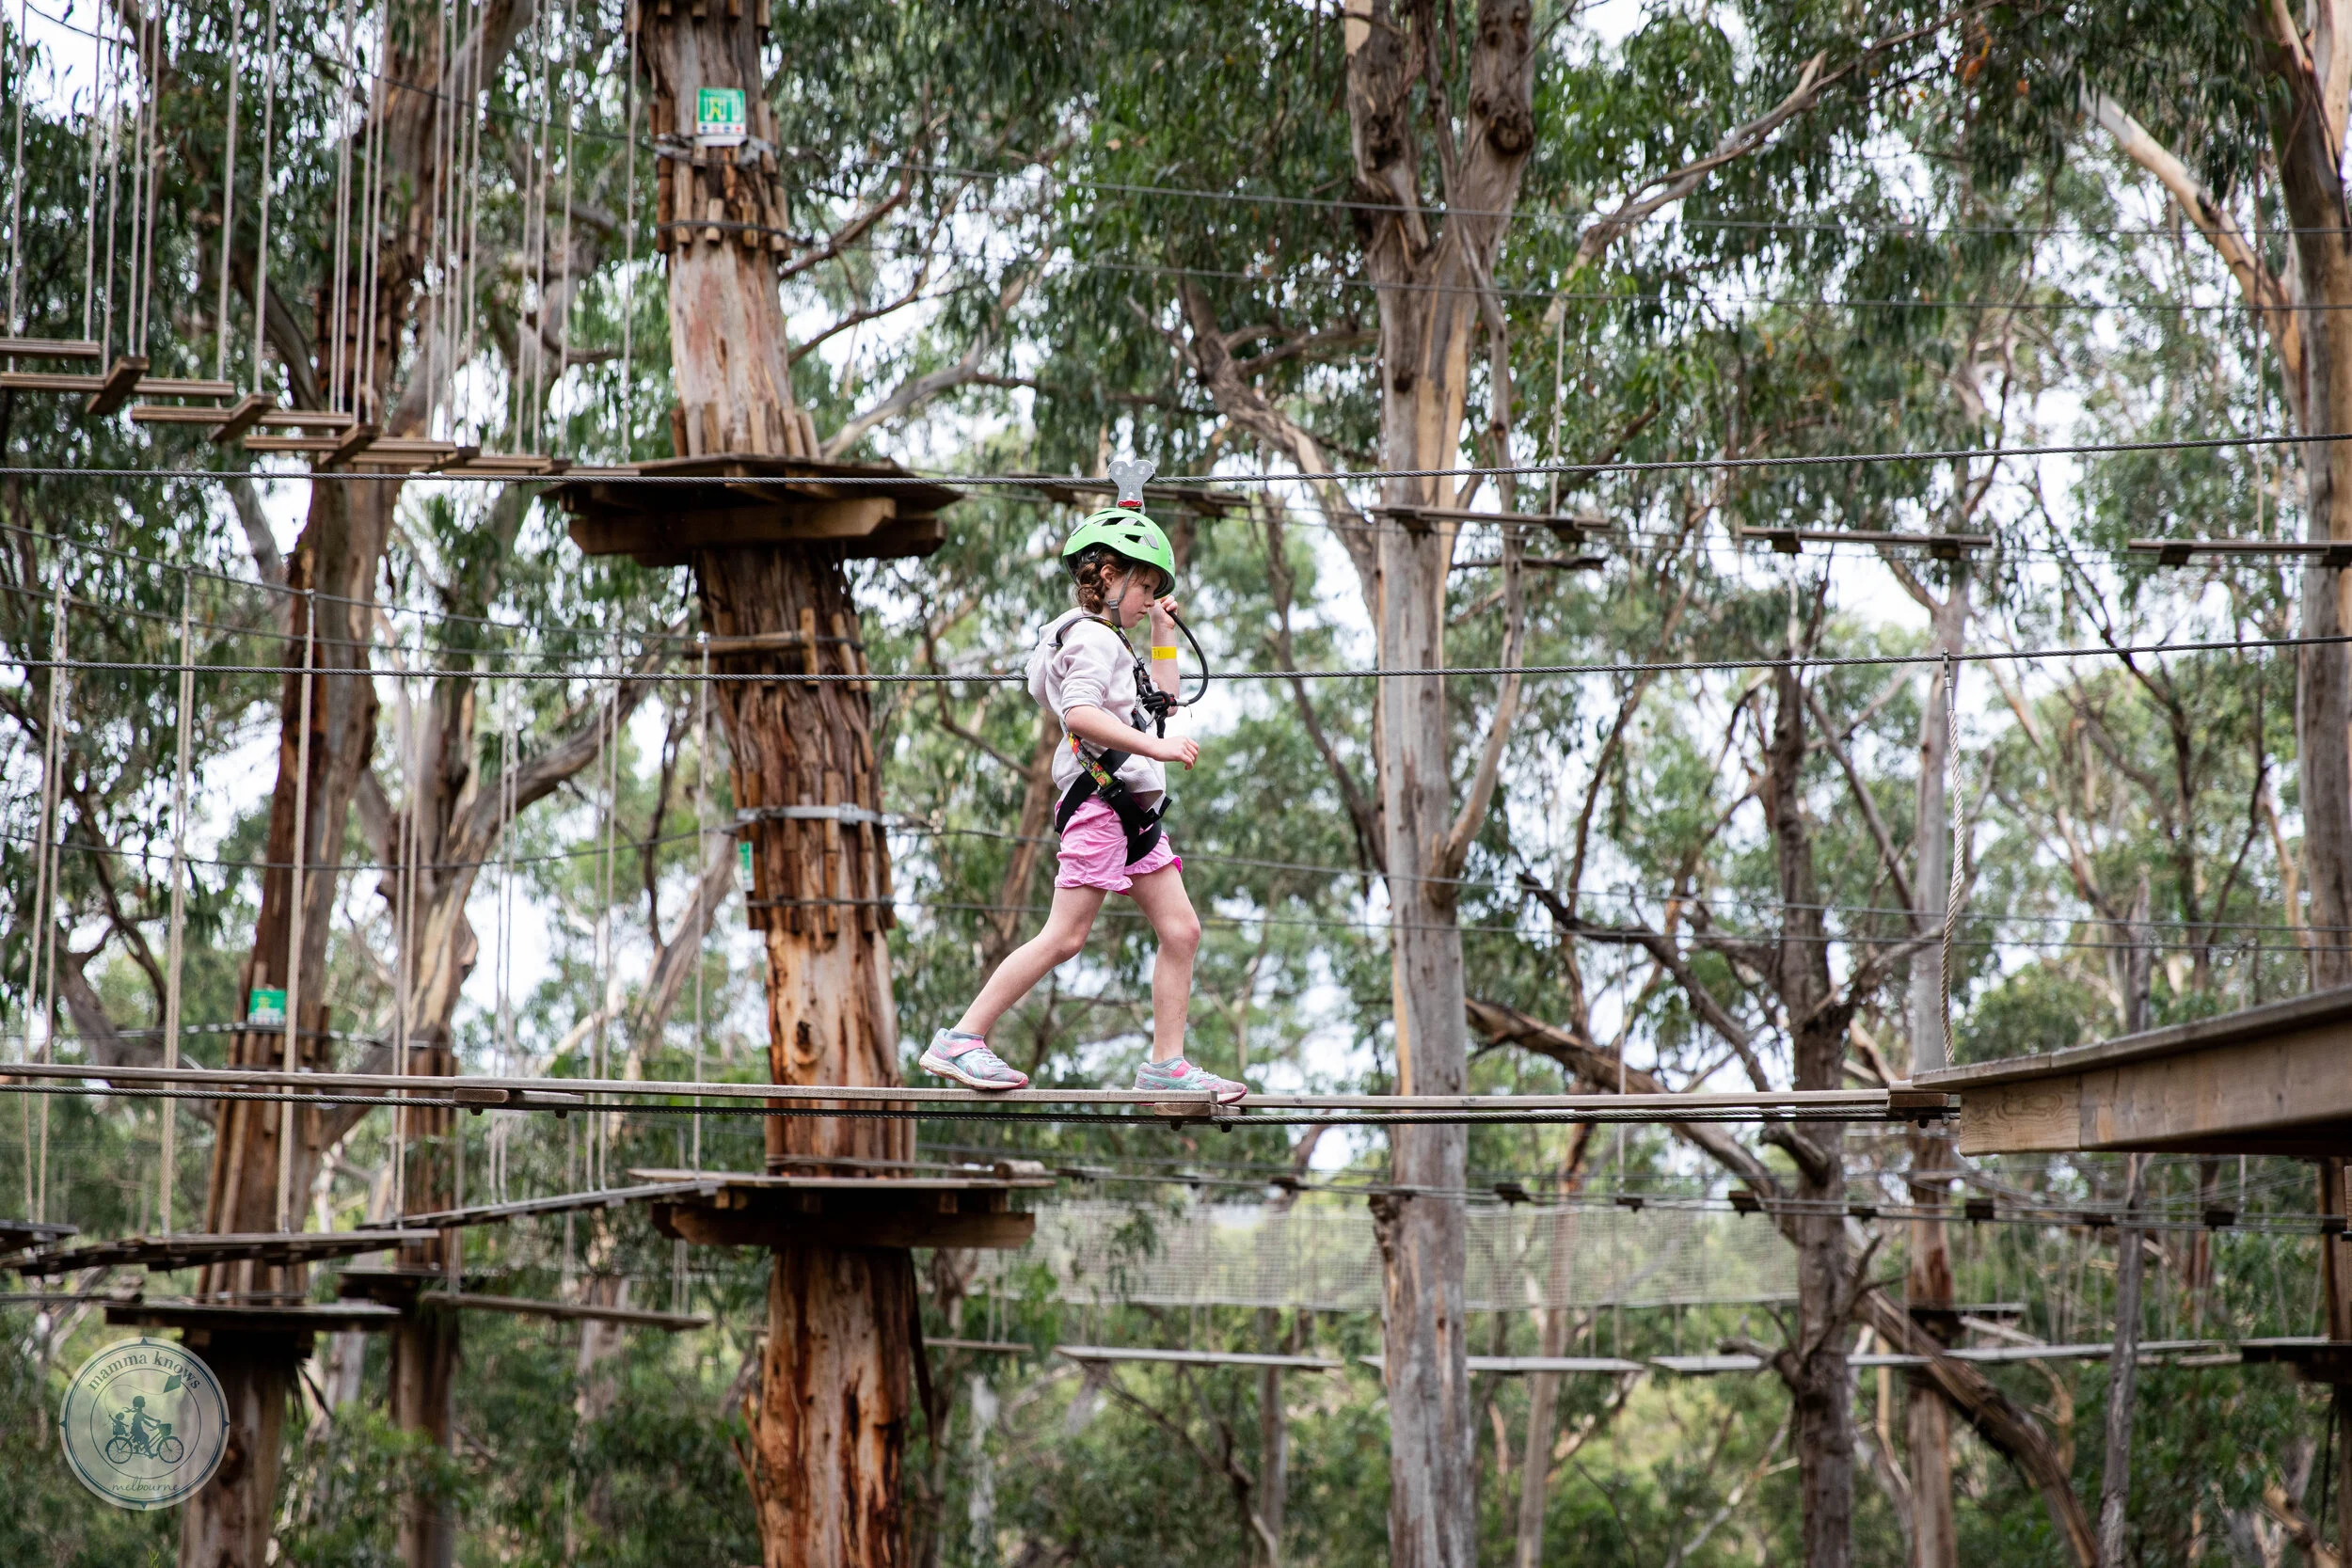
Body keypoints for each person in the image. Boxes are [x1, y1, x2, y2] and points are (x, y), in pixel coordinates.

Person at [919, 471, 1245, 1104]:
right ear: (1106, 577)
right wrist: (1156, 747)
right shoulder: (1092, 639)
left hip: (1134, 815)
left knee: (1181, 931)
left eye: (1155, 588)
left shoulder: (1113, 640)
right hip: (1101, 806)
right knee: (1065, 935)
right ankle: (961, 1037)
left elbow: (1165, 701)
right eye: (1143, 584)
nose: (1148, 595)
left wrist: (1163, 633)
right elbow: (1081, 713)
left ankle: (1165, 1065)